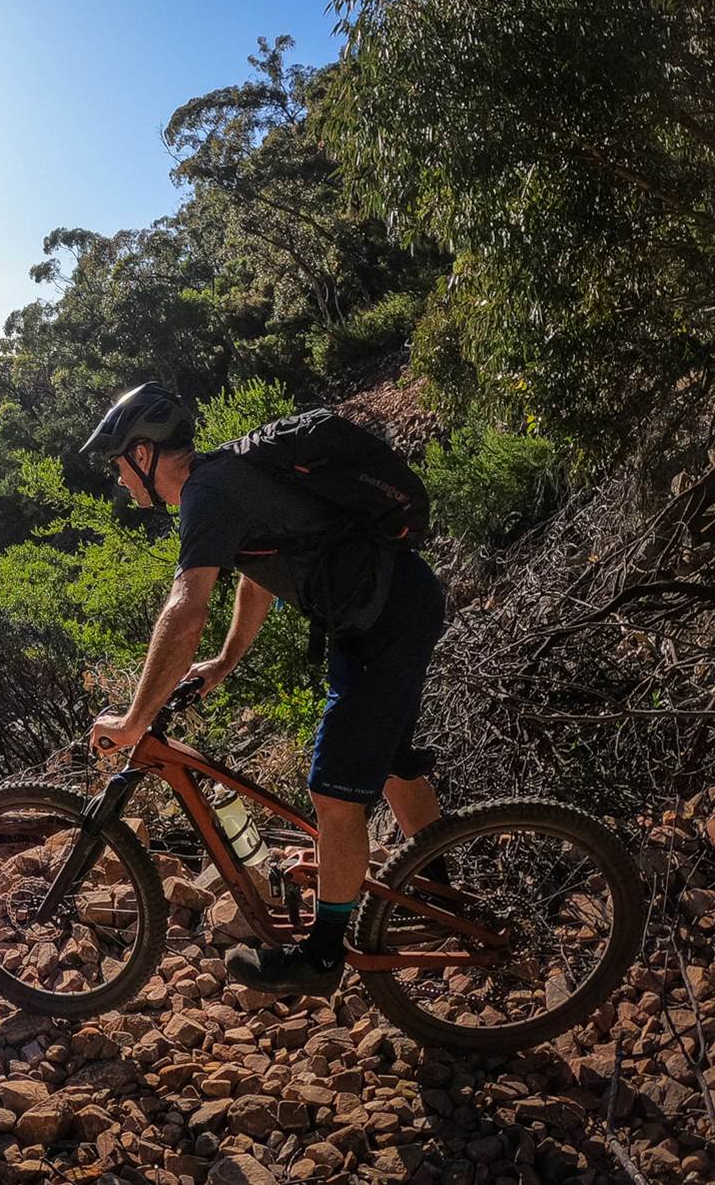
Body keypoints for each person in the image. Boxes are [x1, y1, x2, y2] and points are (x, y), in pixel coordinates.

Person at [80, 382, 447, 996]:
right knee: (390, 766)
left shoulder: (208, 492)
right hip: (380, 612)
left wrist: (135, 719)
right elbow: (261, 574)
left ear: (144, 455)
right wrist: (224, 662)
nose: (118, 478)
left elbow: (185, 606)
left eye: (119, 463)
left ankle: (324, 955)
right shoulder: (224, 481)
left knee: (333, 790)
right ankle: (440, 895)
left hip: (386, 616)